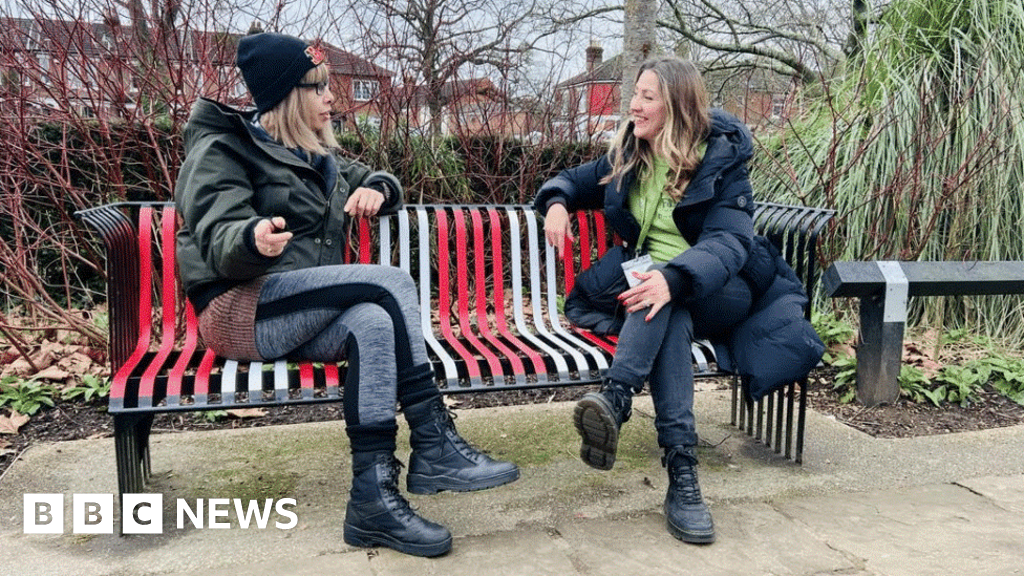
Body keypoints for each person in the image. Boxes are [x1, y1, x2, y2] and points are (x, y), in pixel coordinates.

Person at [174, 32, 519, 558]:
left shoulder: (313, 155)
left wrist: (378, 188)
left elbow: (378, 177)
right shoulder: (221, 148)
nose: (331, 98)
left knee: (371, 323)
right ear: (289, 98)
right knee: (390, 283)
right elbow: (218, 233)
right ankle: (433, 441)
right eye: (318, 88)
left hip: (298, 312)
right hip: (239, 308)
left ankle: (371, 502)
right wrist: (251, 239)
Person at [534, 56, 822, 545]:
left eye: (647, 97)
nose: (634, 105)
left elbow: (731, 245)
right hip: (665, 299)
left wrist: (676, 277)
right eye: (635, 95)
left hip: (726, 290)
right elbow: (571, 179)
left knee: (664, 293)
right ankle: (682, 472)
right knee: (663, 305)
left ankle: (618, 396)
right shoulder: (632, 154)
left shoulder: (721, 162)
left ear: (677, 106)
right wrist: (557, 203)